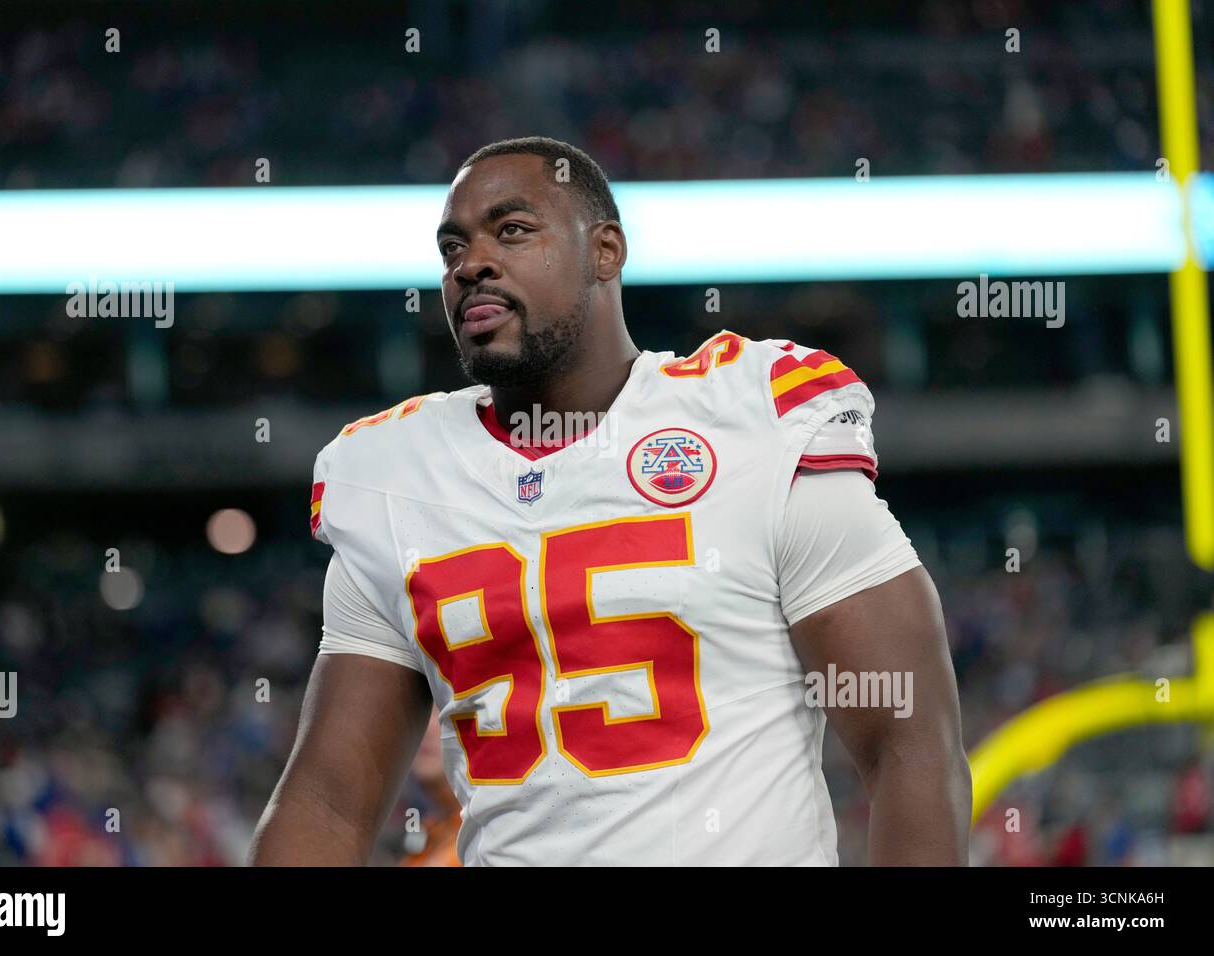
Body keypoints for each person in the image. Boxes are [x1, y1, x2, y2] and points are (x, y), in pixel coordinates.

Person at [250, 136, 971, 866]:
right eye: (451, 249)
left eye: (513, 230)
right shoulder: (394, 478)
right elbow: (328, 799)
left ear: (605, 251)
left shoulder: (751, 417)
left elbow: (907, 744)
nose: (471, 264)